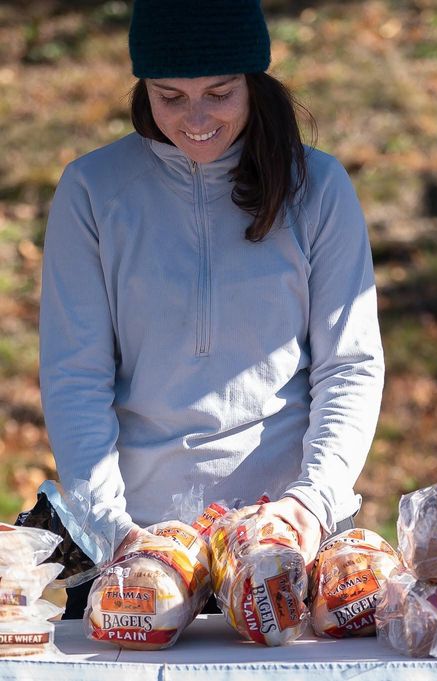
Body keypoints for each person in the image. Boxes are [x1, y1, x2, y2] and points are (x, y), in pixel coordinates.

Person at [39, 0, 385, 617]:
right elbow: (75, 376)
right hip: (138, 547)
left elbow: (349, 365)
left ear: (255, 82)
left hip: (284, 541)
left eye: (219, 93)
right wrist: (111, 529)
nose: (195, 119)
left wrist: (312, 502)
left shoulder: (319, 188)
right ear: (142, 88)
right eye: (169, 96)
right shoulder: (93, 191)